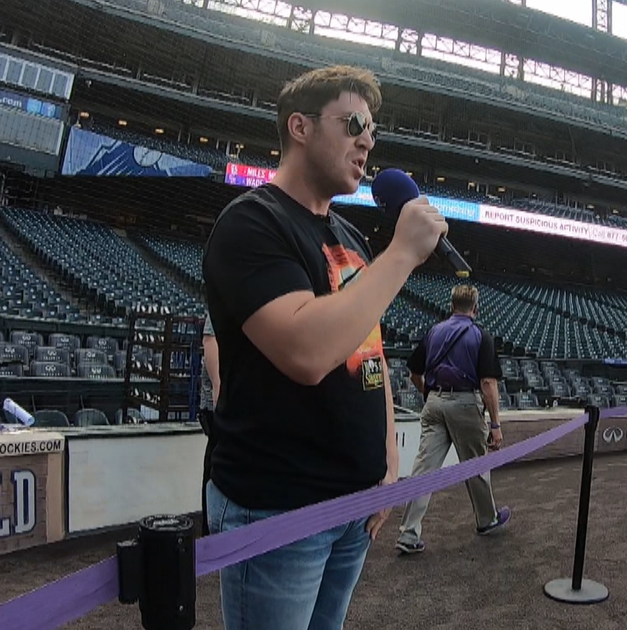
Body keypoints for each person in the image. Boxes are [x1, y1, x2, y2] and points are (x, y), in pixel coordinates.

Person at [200, 65, 449, 630]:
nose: (368, 140)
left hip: (354, 505)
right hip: (279, 507)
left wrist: (387, 470)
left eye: (374, 130)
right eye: (354, 122)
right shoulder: (251, 223)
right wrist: (402, 255)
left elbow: (372, 357)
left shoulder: (352, 237)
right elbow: (309, 353)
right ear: (301, 127)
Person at [396, 284, 510, 555]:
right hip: (464, 403)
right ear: (475, 309)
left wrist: (429, 394)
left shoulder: (434, 331)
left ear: (451, 306)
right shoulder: (480, 335)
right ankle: (486, 520)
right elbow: (488, 383)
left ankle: (408, 534)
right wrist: (495, 424)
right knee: (477, 466)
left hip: (434, 402)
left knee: (423, 470)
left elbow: (413, 372)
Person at [197, 312, 219, 536]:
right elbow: (210, 343)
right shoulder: (221, 299)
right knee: (214, 466)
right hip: (216, 408)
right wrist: (219, 393)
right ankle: (209, 529)